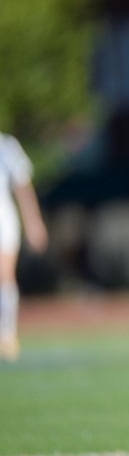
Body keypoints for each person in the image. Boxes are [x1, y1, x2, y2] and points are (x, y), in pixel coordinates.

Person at [0, 133, 48, 362]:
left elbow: (23, 187)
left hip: (3, 221)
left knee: (4, 275)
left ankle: (7, 333)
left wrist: (33, 222)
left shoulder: (6, 146)